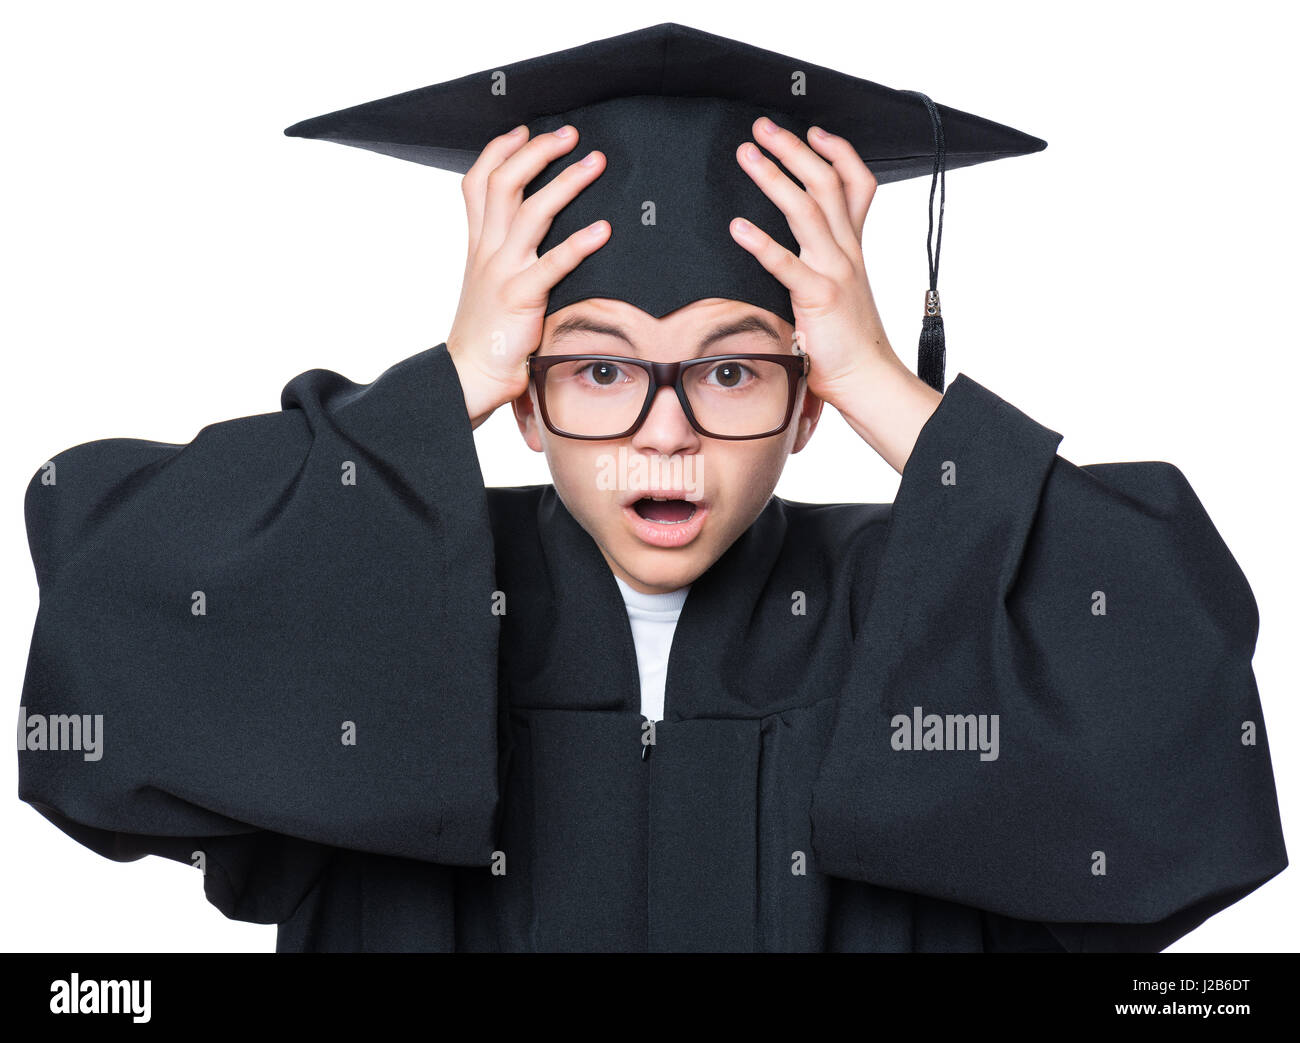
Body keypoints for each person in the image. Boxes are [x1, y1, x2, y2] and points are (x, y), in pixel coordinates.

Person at [17, 23, 1287, 952]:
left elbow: (1181, 688)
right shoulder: (379, 595)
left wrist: (891, 385)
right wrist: (437, 381)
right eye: (597, 366)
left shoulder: (919, 603)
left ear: (806, 407)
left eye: (733, 369)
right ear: (521, 396)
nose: (662, 432)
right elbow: (102, 623)